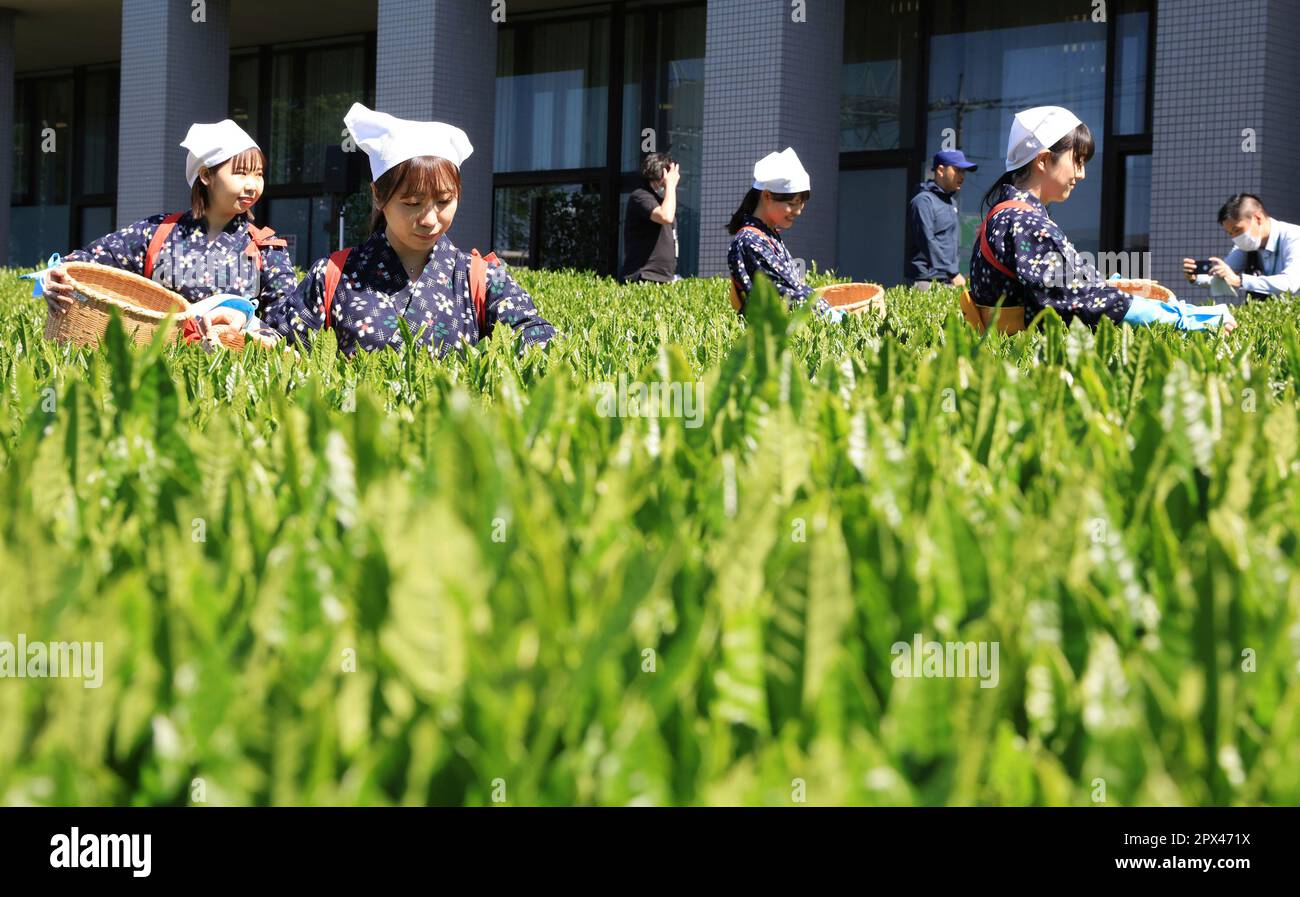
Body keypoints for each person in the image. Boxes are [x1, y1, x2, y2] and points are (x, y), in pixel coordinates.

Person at [265, 103, 555, 357]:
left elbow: (537, 337)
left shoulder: (482, 279)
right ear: (378, 196)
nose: (429, 219)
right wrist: (240, 324)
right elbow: (279, 348)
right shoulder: (332, 276)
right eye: (412, 202)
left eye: (444, 201)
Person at [969, 106, 1233, 333]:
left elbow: (1066, 287)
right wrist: (1181, 319)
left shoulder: (1003, 214)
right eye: (1078, 161)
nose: (1081, 174)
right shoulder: (1025, 222)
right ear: (1044, 159)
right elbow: (1082, 300)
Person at [39, 120, 296, 340]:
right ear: (206, 176)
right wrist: (54, 278)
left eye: (259, 174)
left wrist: (246, 324)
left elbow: (286, 327)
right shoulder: (156, 233)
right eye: (241, 173)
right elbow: (82, 264)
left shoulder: (267, 247)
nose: (253, 185)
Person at [726, 147, 839, 320]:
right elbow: (784, 292)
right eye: (793, 203)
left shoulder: (767, 235)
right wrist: (828, 314)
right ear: (767, 196)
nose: (798, 211)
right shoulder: (749, 241)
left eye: (801, 204)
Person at [1181, 194, 1300, 301]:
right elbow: (1226, 273)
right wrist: (1196, 277)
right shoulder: (1248, 244)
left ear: (1258, 218)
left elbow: (1290, 283)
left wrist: (1240, 280)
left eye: (1237, 230)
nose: (1235, 237)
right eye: (1230, 233)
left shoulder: (1294, 237)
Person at [906, 149, 977, 289]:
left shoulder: (951, 202)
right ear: (940, 170)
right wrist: (953, 273)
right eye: (957, 170)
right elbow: (927, 241)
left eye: (964, 172)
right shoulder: (923, 201)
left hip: (948, 280)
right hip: (926, 281)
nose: (962, 176)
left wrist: (953, 273)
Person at [620, 152, 680, 284]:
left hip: (663, 278)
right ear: (662, 175)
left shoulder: (663, 201)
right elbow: (665, 216)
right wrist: (670, 186)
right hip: (644, 276)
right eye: (670, 176)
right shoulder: (641, 196)